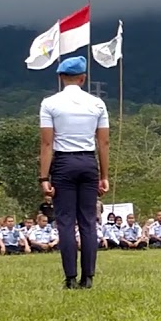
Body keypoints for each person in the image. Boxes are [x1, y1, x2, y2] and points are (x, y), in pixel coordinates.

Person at [39, 56, 110, 290]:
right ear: (83, 78)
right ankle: (88, 277)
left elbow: (47, 144)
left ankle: (70, 277)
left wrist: (44, 177)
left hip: (63, 163)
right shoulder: (97, 104)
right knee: (88, 222)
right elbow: (104, 143)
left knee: (66, 222)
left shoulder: (49, 103)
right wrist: (104, 176)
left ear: (61, 77)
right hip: (88, 162)